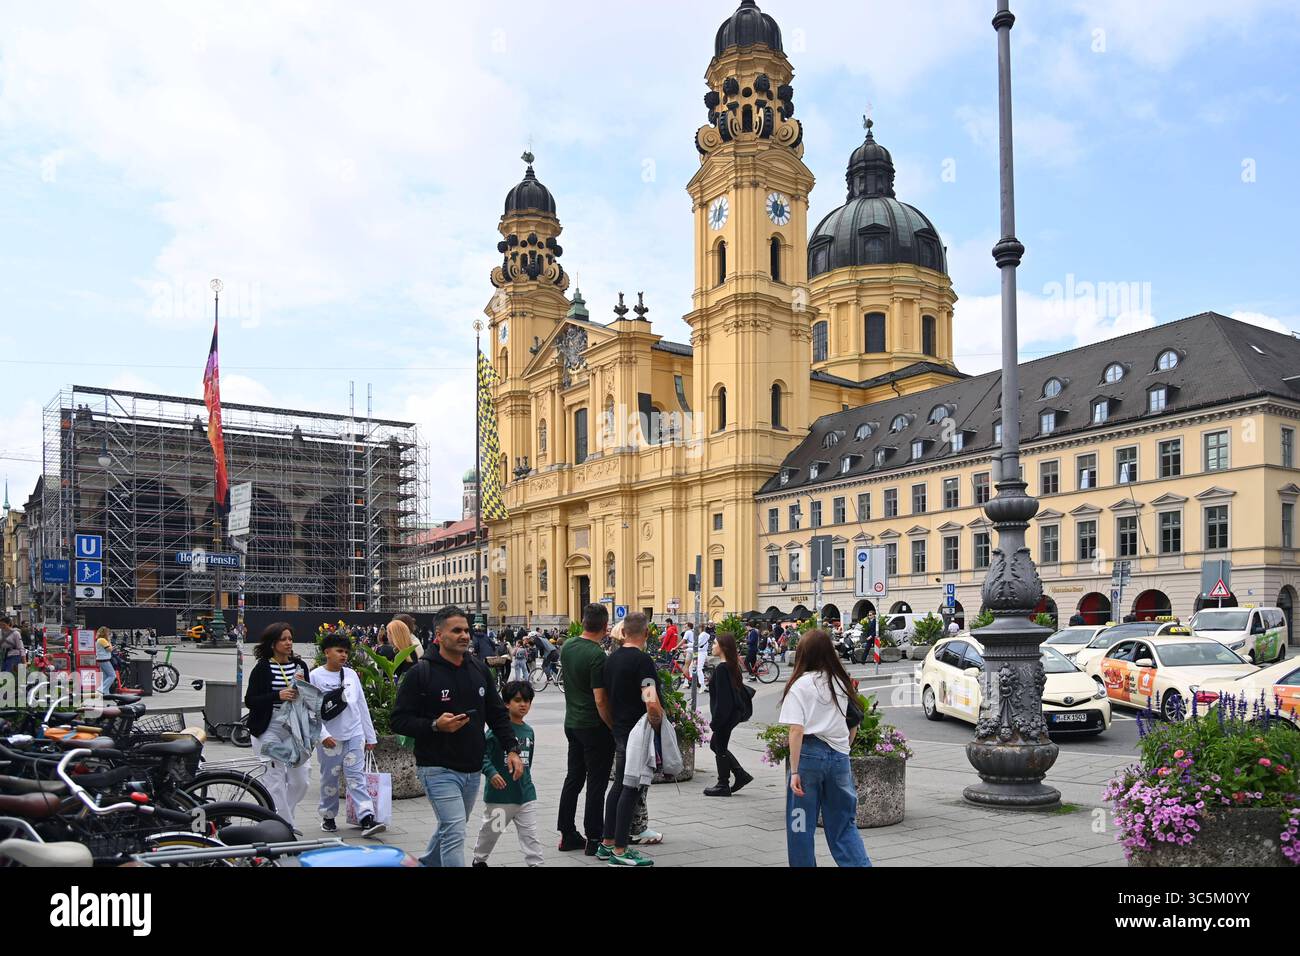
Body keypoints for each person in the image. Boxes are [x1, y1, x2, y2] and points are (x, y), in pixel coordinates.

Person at [391, 605, 522, 868]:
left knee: (453, 826)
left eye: (467, 630)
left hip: (472, 769)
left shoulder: (479, 669)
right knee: (454, 830)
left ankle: (426, 863)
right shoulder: (421, 672)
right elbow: (398, 720)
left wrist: (512, 749)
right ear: (438, 635)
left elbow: (497, 714)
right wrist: (434, 726)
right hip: (437, 767)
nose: (465, 635)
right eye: (457, 630)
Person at [780, 629, 871, 868]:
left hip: (809, 757)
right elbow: (854, 720)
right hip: (839, 757)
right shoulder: (840, 682)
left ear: (803, 654)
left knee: (800, 825)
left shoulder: (800, 685)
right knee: (843, 825)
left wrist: (795, 770)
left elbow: (796, 730)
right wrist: (843, 749)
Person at [597, 612, 662, 866]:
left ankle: (607, 842)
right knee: (631, 788)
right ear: (646, 633)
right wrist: (656, 724)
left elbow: (602, 699)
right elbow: (651, 700)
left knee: (618, 786)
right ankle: (621, 851)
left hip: (620, 729)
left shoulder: (611, 659)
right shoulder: (642, 661)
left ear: (623, 633)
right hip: (637, 731)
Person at [310, 633, 384, 837]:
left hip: (354, 734)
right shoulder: (315, 676)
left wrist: (370, 737)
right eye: (339, 651)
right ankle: (328, 816)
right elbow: (311, 709)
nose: (343, 655)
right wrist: (322, 735)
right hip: (329, 739)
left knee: (356, 777)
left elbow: (361, 705)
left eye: (346, 652)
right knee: (329, 779)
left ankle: (367, 817)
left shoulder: (351, 674)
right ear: (327, 652)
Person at [556, 603, 614, 855]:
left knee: (573, 778)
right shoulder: (597, 655)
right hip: (593, 726)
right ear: (604, 626)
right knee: (597, 783)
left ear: (583, 621)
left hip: (572, 723)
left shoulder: (567, 646)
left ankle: (567, 833)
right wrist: (612, 726)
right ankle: (594, 838)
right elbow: (600, 699)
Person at [244, 622, 312, 825]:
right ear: (273, 643)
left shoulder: (300, 666)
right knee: (275, 781)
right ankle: (285, 828)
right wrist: (277, 695)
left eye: (290, 638)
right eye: (283, 639)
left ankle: (279, 816)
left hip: (294, 728)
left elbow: (308, 696)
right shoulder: (263, 667)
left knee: (301, 780)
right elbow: (250, 700)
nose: (288, 642)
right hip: (269, 727)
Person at [472, 680, 542, 867]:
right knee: (491, 834)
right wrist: (492, 773)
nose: (523, 704)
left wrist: (527, 782)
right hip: (500, 797)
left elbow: (528, 764)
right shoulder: (496, 733)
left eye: (527, 701)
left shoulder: (529, 731)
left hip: (525, 795)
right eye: (518, 700)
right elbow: (482, 756)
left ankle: (536, 863)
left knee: (531, 837)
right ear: (506, 703)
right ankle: (479, 860)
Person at [705, 631, 755, 797]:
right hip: (733, 714)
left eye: (714, 643)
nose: (712, 646)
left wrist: (717, 721)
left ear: (723, 647)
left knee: (719, 747)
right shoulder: (732, 666)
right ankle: (740, 775)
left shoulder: (722, 669)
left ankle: (723, 784)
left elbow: (724, 700)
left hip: (726, 716)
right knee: (718, 745)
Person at [93, 626, 115, 693]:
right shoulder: (102, 640)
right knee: (112, 675)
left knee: (105, 677)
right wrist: (109, 641)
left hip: (100, 659)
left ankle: (106, 693)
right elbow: (109, 649)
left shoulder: (99, 640)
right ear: (105, 633)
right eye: (108, 632)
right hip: (104, 659)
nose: (109, 634)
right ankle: (100, 689)